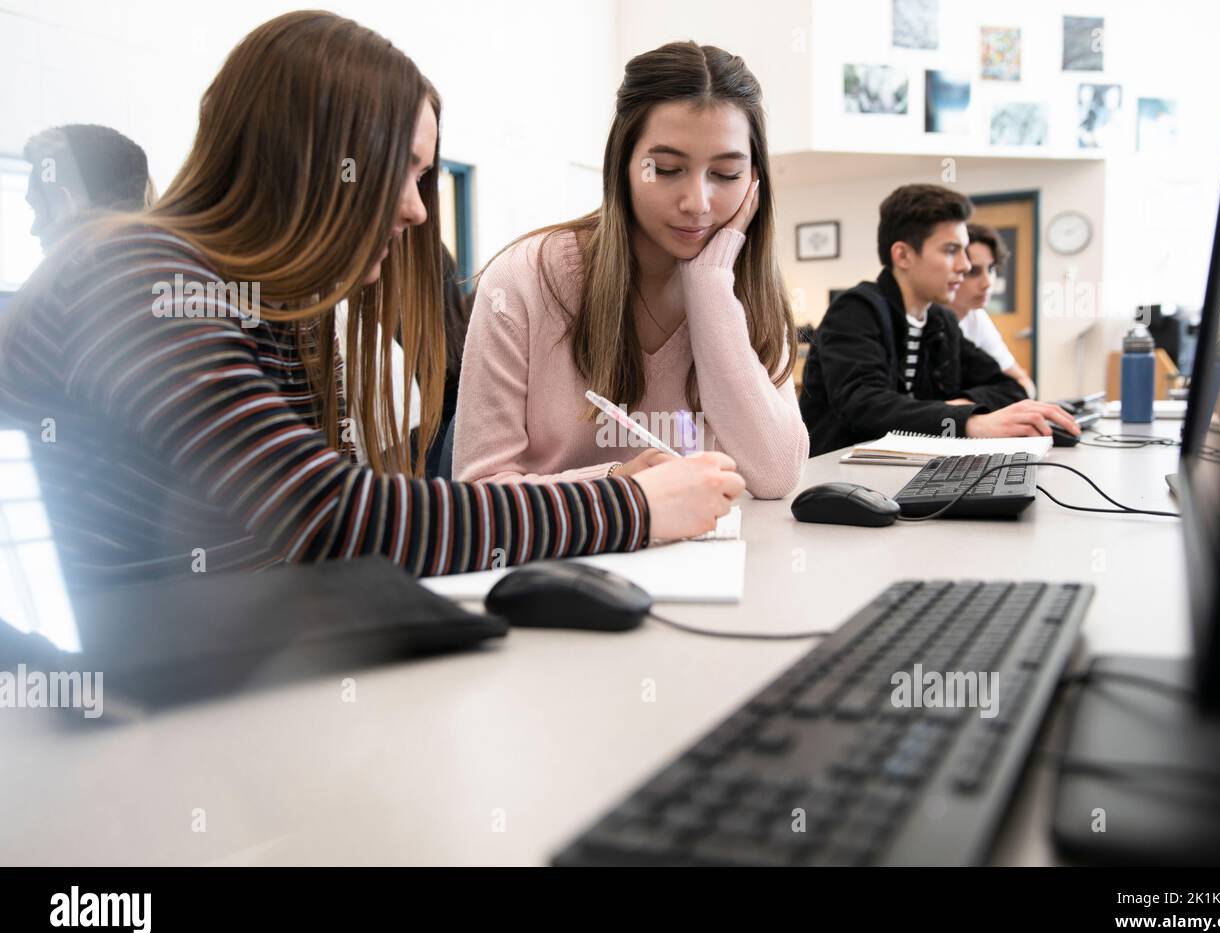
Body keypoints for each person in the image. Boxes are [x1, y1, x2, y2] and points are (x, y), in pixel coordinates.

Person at [0, 11, 743, 591]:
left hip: (215, 670)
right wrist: (633, 508)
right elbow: (333, 517)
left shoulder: (257, 308)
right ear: (318, 162)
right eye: (404, 172)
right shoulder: (137, 278)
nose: (419, 211)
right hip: (132, 731)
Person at [453, 41, 808, 499]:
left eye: (725, 175)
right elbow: (476, 494)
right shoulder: (524, 278)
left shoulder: (745, 287)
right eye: (665, 169)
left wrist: (711, 285)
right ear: (622, 164)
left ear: (754, 183)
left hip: (703, 559)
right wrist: (621, 488)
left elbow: (775, 476)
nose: (697, 204)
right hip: (558, 562)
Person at [798, 184, 1077, 455]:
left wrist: (963, 405)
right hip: (841, 479)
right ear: (903, 255)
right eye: (950, 250)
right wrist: (968, 420)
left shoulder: (940, 320)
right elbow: (865, 406)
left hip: (911, 469)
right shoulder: (856, 310)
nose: (965, 266)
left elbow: (1009, 387)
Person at [22, 124, 153, 255]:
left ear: (65, 203)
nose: (34, 229)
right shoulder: (166, 264)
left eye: (35, 208)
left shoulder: (78, 273)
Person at [949, 222, 1037, 398]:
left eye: (991, 269)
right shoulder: (925, 320)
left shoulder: (976, 316)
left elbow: (1024, 383)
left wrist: (967, 409)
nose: (988, 282)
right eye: (972, 272)